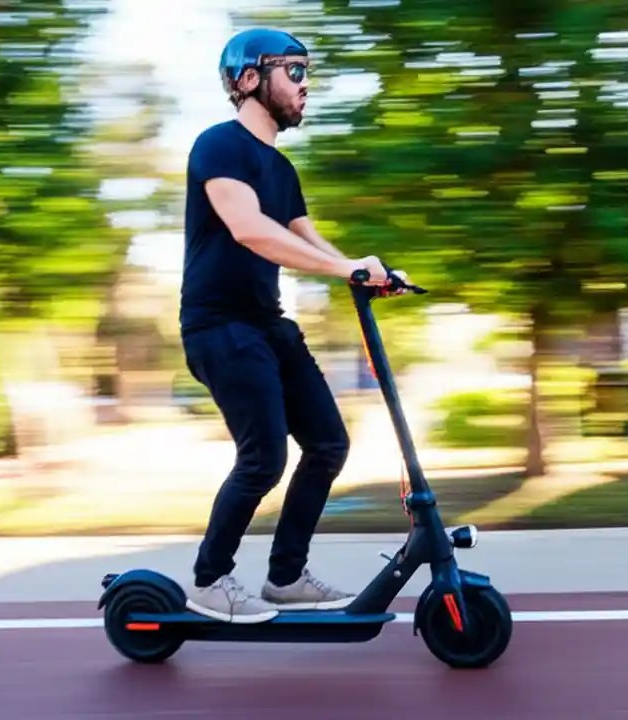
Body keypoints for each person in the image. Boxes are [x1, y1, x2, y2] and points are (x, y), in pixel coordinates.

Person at [180, 27, 403, 624]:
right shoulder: (219, 147)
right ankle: (209, 580)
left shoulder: (280, 168)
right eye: (296, 72)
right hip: (218, 327)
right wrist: (342, 268)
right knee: (264, 457)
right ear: (250, 79)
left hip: (265, 324)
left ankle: (284, 577)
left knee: (328, 443)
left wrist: (364, 270)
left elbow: (305, 237)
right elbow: (250, 229)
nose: (307, 86)